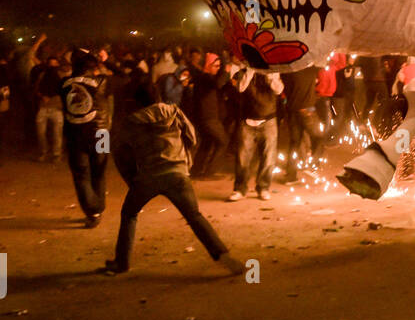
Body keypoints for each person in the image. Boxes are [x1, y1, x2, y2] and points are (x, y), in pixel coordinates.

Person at [105, 84, 243, 276]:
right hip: (177, 173)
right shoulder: (173, 112)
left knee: (129, 215)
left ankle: (122, 263)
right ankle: (224, 256)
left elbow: (120, 154)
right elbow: (192, 136)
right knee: (195, 217)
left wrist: (132, 180)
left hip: (147, 177)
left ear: (137, 101)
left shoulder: (130, 122)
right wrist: (185, 159)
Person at [60, 49, 111, 228]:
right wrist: (104, 60)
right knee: (100, 171)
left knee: (81, 175)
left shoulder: (64, 83)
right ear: (92, 64)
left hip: (76, 134)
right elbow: (126, 75)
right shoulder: (102, 81)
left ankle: (93, 212)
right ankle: (98, 209)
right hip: (102, 134)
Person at [229, 65, 283, 201]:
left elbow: (279, 90)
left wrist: (270, 78)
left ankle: (263, 188)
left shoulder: (272, 69)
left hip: (268, 120)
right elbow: (240, 88)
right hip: (246, 120)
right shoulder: (242, 71)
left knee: (269, 157)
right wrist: (251, 71)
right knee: (242, 158)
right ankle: (240, 189)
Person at [282, 63, 325, 183]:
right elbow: (324, 62)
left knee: (295, 143)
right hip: (307, 111)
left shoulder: (287, 72)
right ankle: (313, 165)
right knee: (319, 138)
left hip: (292, 110)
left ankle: (290, 177)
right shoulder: (310, 69)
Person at [190, 54, 231, 178]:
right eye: (216, 66)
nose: (218, 68)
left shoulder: (205, 78)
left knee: (206, 143)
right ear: (208, 65)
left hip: (206, 117)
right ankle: (210, 171)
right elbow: (218, 84)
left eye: (219, 66)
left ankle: (196, 171)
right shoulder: (204, 78)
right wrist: (226, 71)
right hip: (208, 117)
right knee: (223, 141)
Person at [31, 55, 64, 161]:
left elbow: (63, 90)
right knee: (40, 133)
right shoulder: (42, 75)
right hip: (43, 107)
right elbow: (36, 89)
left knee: (57, 133)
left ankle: (56, 154)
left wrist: (51, 96)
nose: (52, 66)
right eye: (50, 64)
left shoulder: (61, 76)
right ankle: (43, 152)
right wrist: (42, 96)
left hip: (56, 107)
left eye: (54, 63)